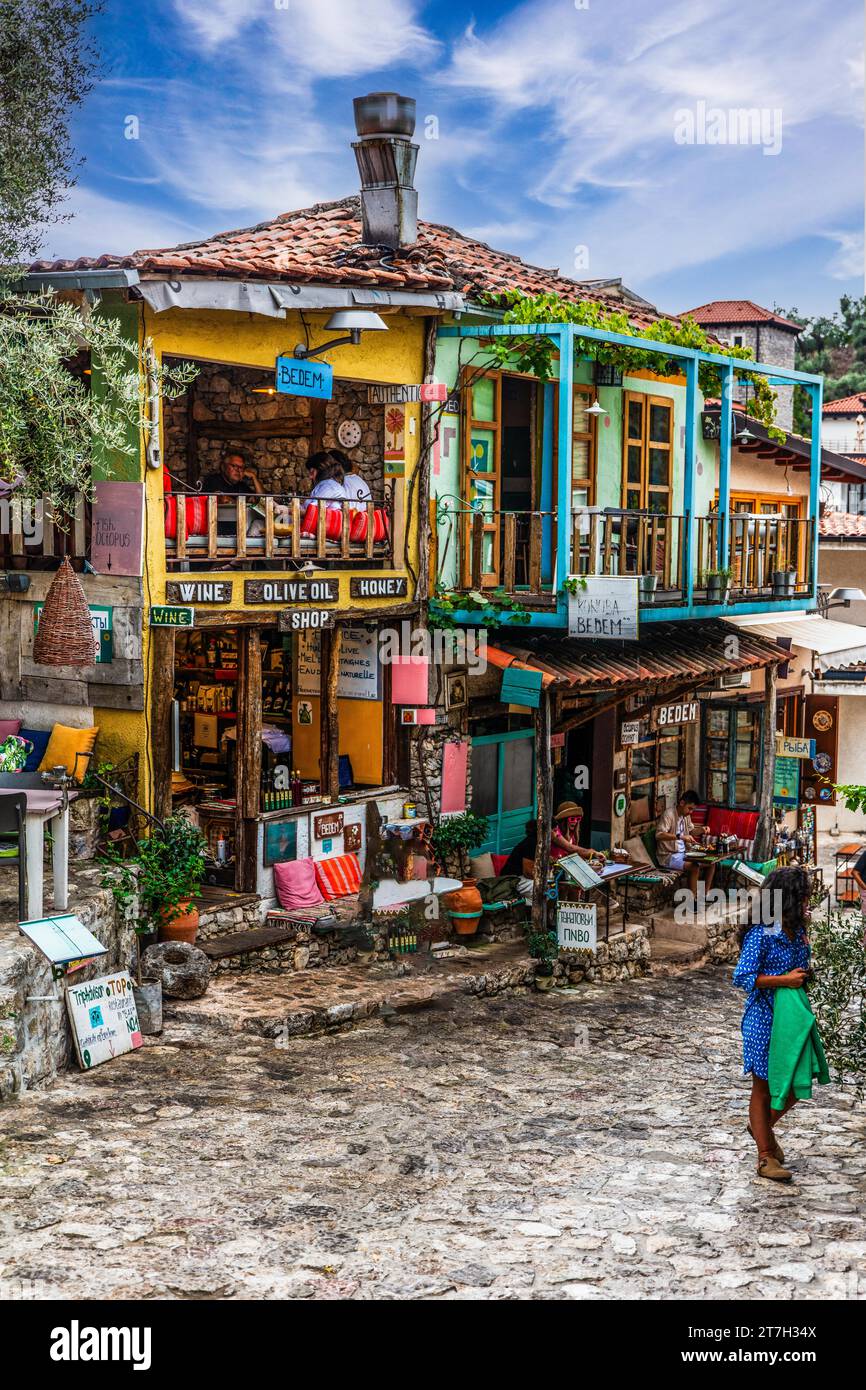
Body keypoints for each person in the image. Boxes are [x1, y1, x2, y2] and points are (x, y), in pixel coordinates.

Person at [732, 866, 815, 1182]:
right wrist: (785, 980)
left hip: (789, 1020)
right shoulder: (764, 931)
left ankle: (760, 1128)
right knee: (763, 1087)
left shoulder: (797, 932)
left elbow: (798, 972)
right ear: (790, 898)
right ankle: (765, 1157)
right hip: (763, 1020)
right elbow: (743, 977)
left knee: (797, 1081)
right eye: (804, 896)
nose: (809, 902)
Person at [655, 789, 715, 896]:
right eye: (690, 808)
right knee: (694, 866)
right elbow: (659, 835)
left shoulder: (686, 816)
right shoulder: (668, 814)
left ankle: (705, 894)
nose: (691, 812)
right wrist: (680, 837)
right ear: (682, 803)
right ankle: (693, 900)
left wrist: (702, 829)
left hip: (685, 853)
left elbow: (691, 831)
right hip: (669, 856)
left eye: (693, 809)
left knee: (711, 863)